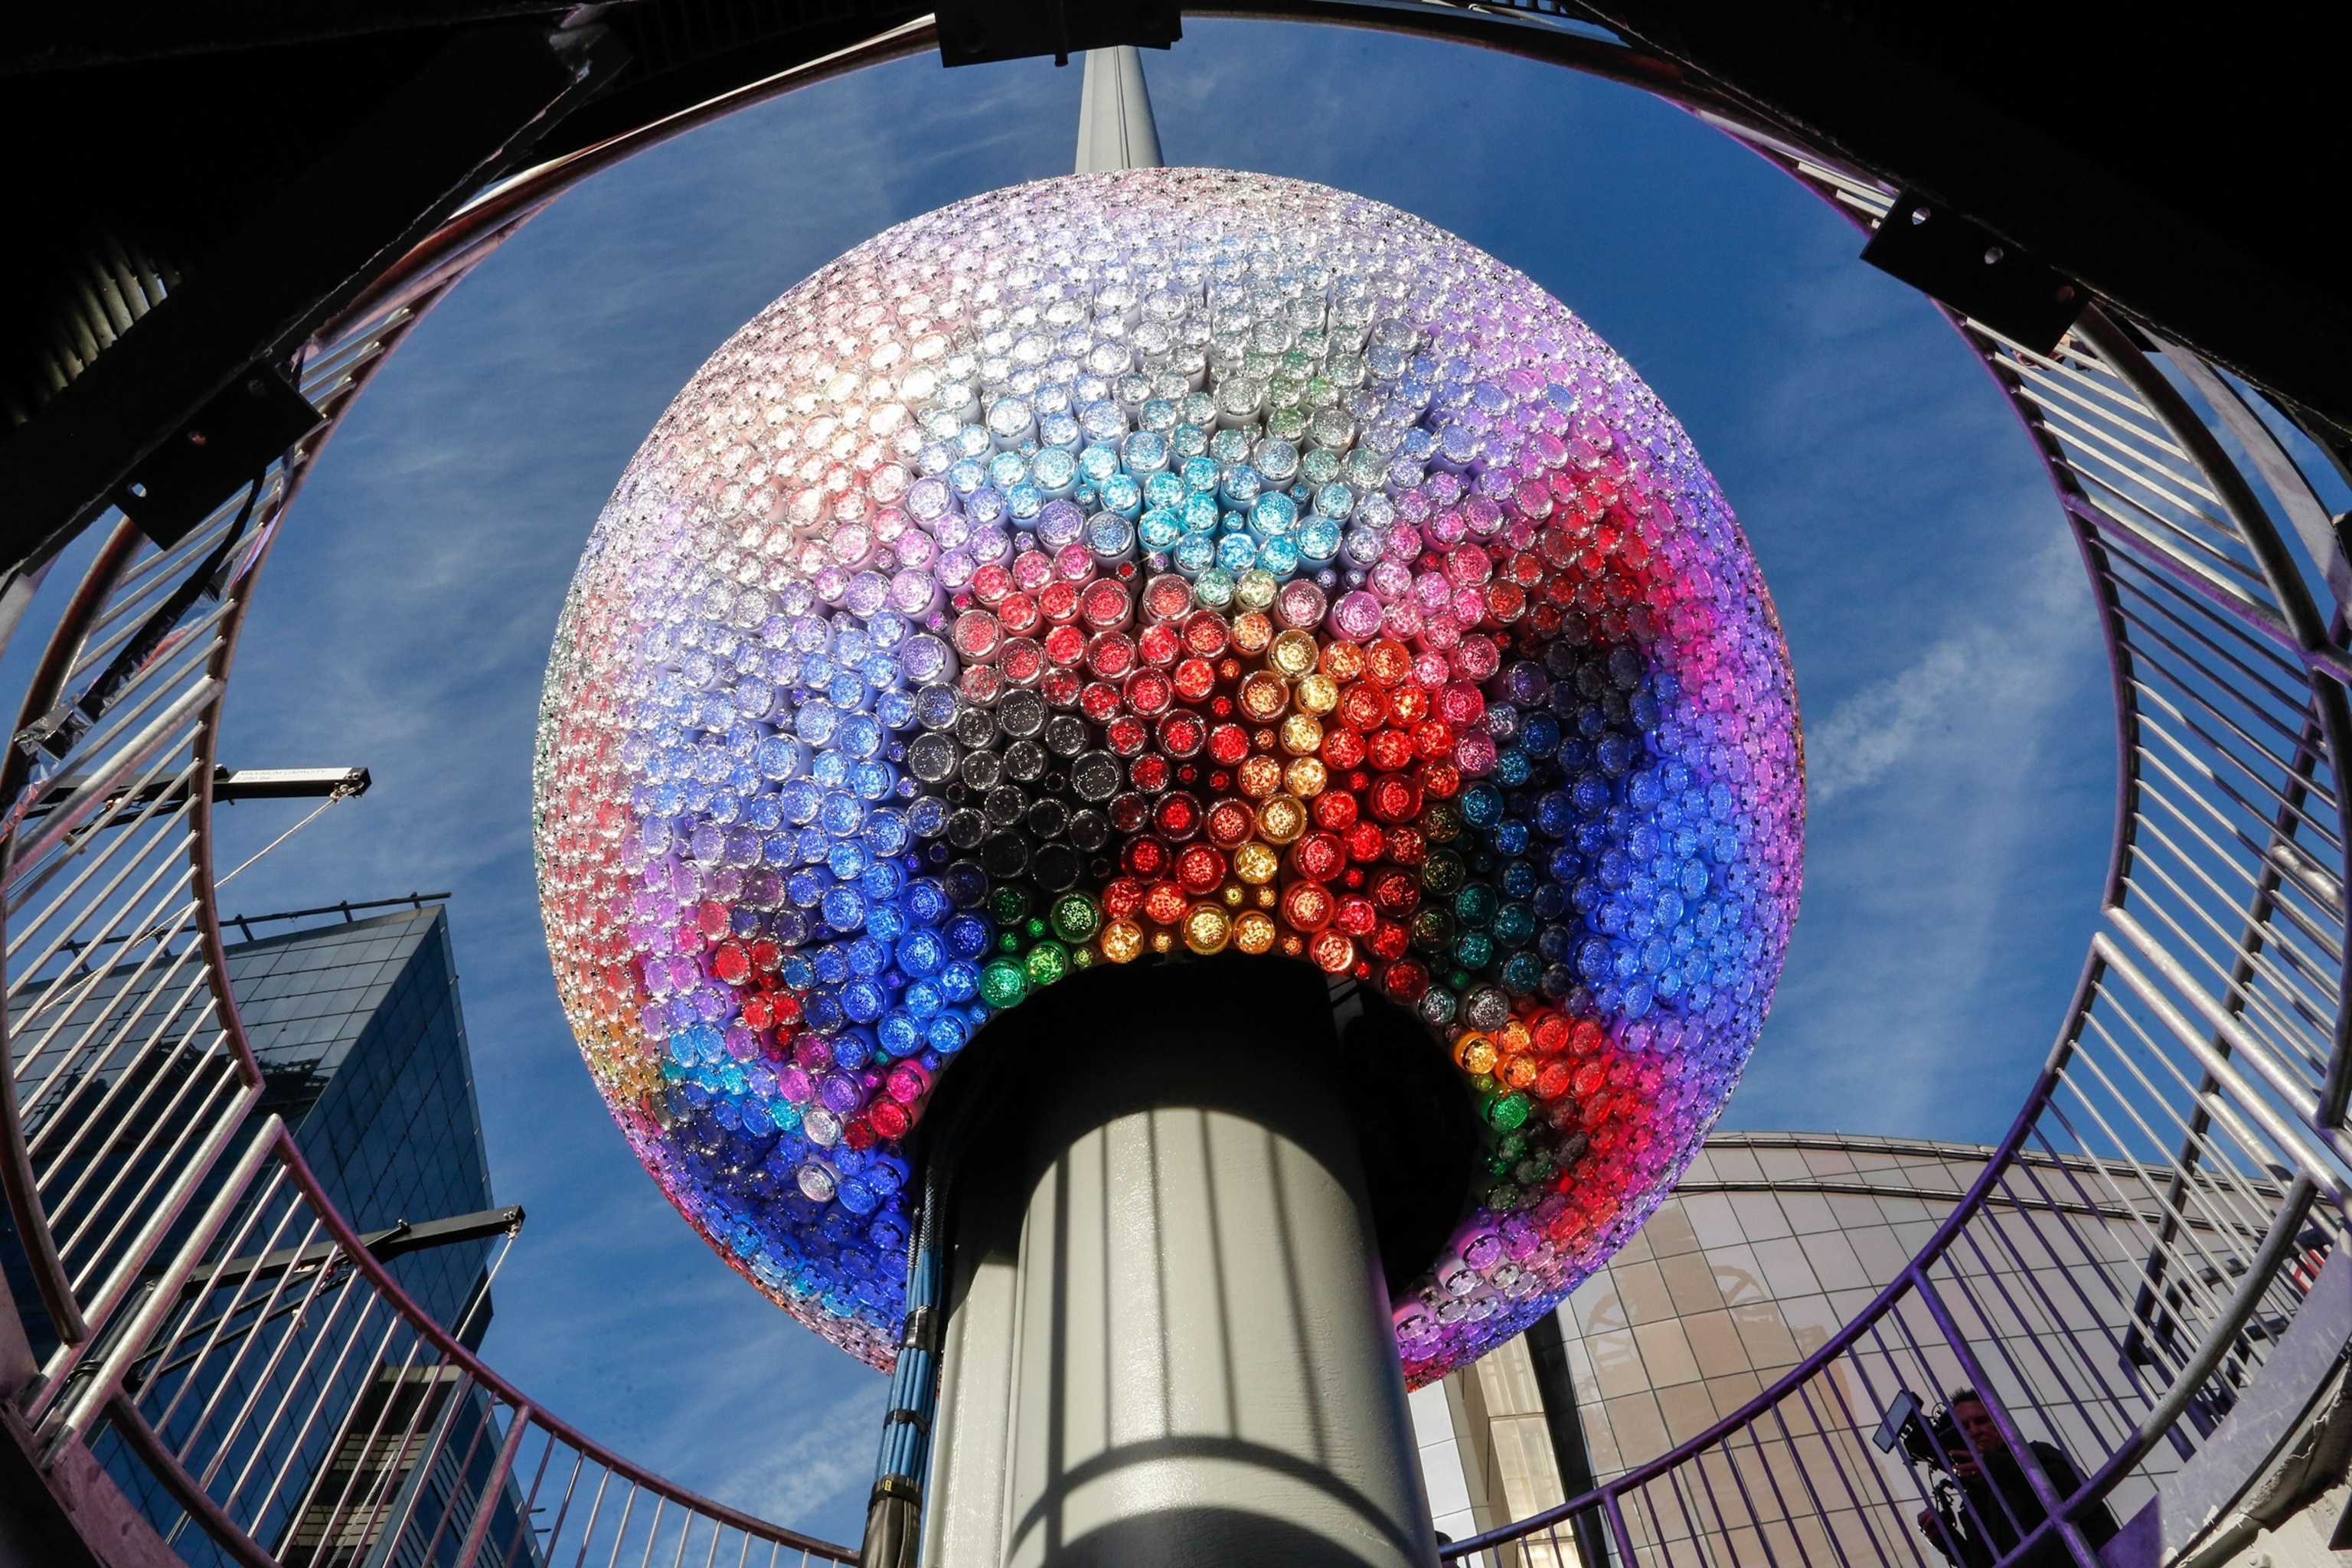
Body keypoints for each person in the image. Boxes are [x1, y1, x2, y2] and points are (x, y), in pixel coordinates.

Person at [1914, 1390, 2118, 1568]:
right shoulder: (1972, 1505)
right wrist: (1948, 1542)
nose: (1975, 1431)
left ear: (2001, 1423)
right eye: (1965, 1427)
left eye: (1981, 1421)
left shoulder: (2036, 1455)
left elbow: (2075, 1493)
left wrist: (1994, 1466)